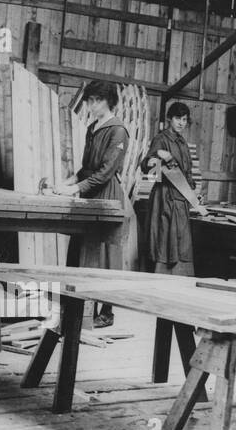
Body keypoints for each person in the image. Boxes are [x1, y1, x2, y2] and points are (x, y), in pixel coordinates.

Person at [56, 80, 131, 327]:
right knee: (79, 249)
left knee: (104, 257)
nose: (90, 105)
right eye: (89, 101)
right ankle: (74, 308)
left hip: (106, 196)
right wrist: (65, 184)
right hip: (90, 194)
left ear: (106, 102)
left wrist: (74, 189)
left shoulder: (118, 130)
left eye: (94, 101)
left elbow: (105, 172)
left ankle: (105, 312)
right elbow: (86, 168)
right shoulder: (93, 127)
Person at [141, 101, 207, 275]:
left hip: (181, 200)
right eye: (178, 118)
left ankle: (179, 283)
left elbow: (188, 173)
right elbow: (150, 173)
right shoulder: (161, 139)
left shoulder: (183, 143)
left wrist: (194, 192)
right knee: (164, 241)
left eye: (184, 119)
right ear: (169, 119)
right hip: (165, 199)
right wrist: (157, 161)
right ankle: (160, 280)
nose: (181, 123)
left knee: (181, 244)